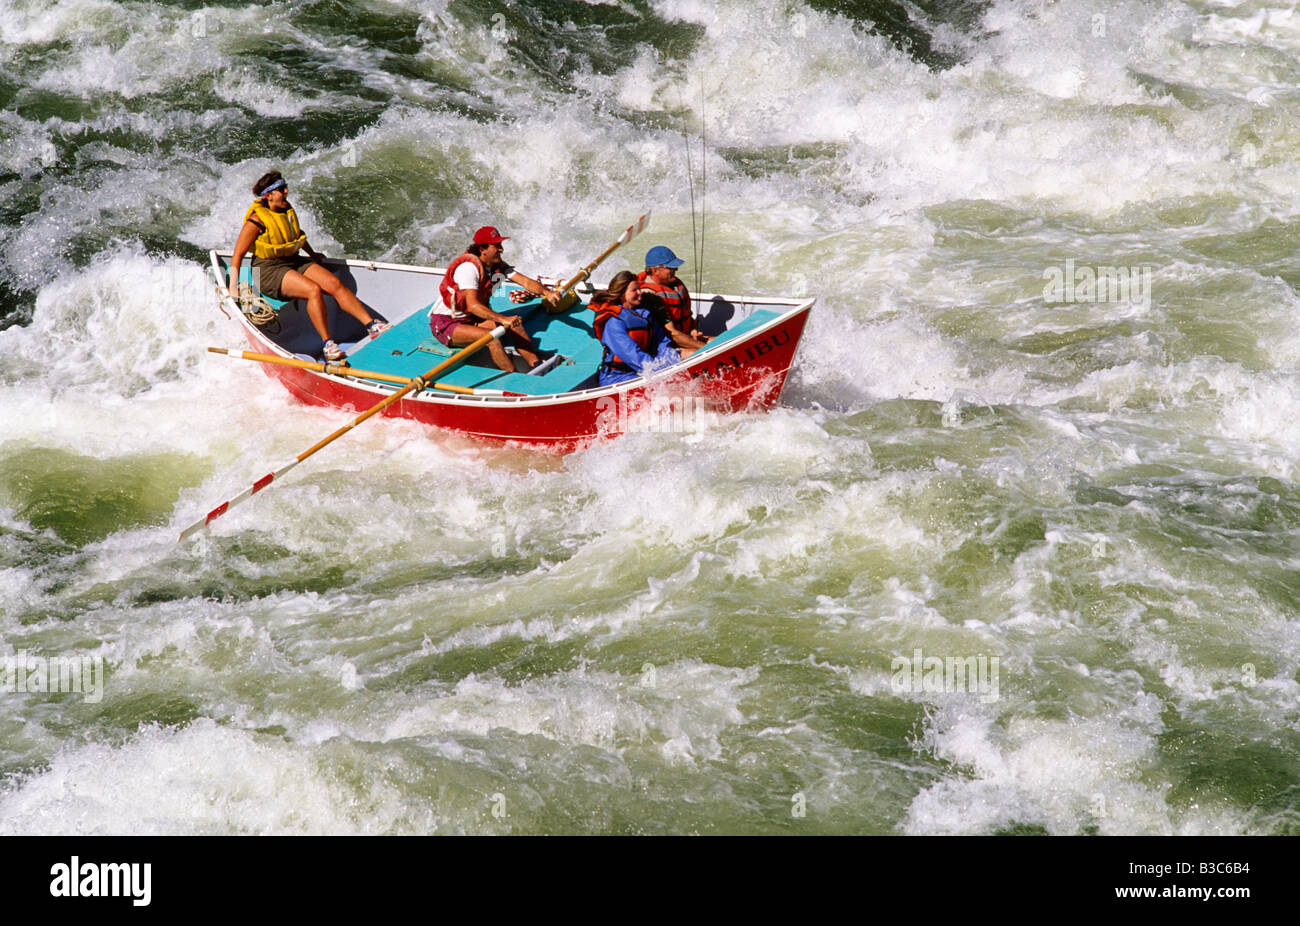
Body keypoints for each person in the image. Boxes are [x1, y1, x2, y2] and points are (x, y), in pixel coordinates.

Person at [229, 170, 388, 361]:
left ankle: (373, 326)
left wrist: (313, 255)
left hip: (293, 260)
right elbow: (238, 254)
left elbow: (297, 234)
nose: (286, 192)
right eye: (280, 190)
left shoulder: (286, 209)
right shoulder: (256, 221)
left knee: (334, 284)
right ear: (269, 195)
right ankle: (328, 344)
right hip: (269, 270)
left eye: (285, 187)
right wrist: (232, 287)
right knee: (313, 290)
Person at [430, 226, 559, 372]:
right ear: (482, 249)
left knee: (515, 326)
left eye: (500, 245)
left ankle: (538, 367)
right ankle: (513, 376)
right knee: (491, 338)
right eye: (496, 246)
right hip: (447, 323)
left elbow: (525, 282)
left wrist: (547, 292)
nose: (501, 249)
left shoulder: (497, 266)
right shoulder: (468, 269)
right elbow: (472, 306)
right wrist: (503, 319)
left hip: (472, 319)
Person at [590, 270, 678, 387]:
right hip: (617, 377)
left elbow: (662, 342)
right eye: (634, 290)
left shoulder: (644, 314)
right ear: (621, 294)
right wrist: (660, 371)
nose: (639, 292)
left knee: (677, 375)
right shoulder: (614, 323)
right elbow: (632, 354)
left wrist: (672, 364)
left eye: (639, 288)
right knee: (669, 385)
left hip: (645, 370)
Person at [637, 245, 708, 354]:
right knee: (704, 350)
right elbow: (672, 334)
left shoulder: (674, 284)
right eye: (671, 267)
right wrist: (705, 348)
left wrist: (693, 330)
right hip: (664, 347)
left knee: (718, 340)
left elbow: (688, 316)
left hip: (684, 338)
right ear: (655, 270)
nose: (676, 270)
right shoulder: (648, 295)